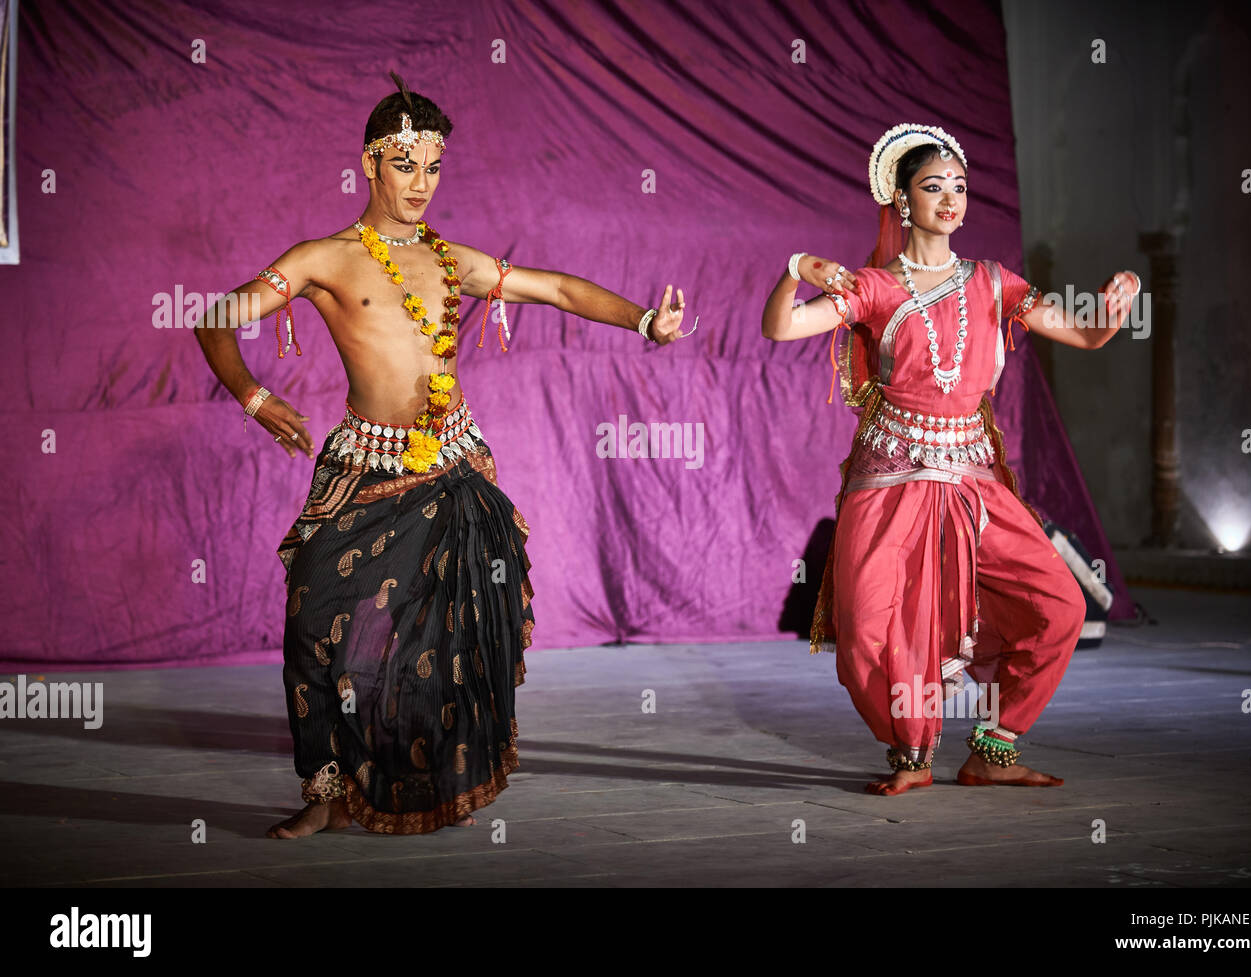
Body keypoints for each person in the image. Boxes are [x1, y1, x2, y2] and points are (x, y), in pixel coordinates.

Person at [194, 72, 694, 837]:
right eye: (404, 165)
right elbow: (213, 318)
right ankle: (326, 787)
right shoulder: (323, 259)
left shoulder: (449, 259)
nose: (420, 183)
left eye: (433, 166)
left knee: (443, 631)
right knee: (314, 616)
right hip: (365, 464)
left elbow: (555, 289)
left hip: (453, 467)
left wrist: (646, 321)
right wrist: (256, 400)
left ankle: (432, 779)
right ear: (368, 163)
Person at [761, 123, 1138, 796]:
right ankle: (911, 753)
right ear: (902, 201)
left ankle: (995, 747)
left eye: (960, 186)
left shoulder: (994, 283)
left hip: (972, 482)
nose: (951, 198)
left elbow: (1081, 332)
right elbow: (782, 326)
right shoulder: (873, 287)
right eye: (933, 186)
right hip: (891, 483)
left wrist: (1112, 312)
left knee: (1058, 604)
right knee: (872, 627)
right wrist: (796, 268)